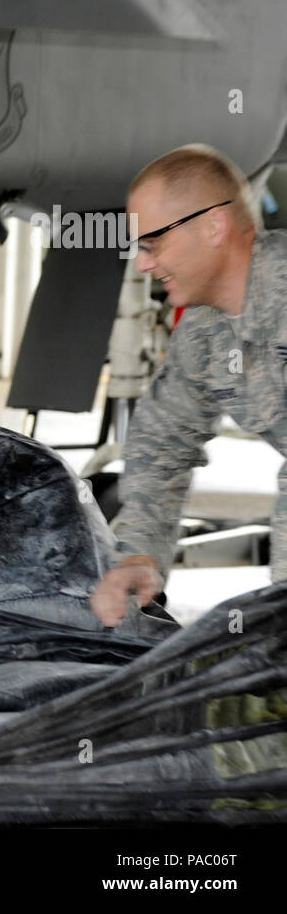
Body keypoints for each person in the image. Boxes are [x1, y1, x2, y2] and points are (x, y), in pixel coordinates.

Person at [90, 144, 285, 626]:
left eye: (152, 243)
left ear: (213, 226)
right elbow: (165, 438)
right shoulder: (204, 330)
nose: (142, 264)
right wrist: (140, 556)